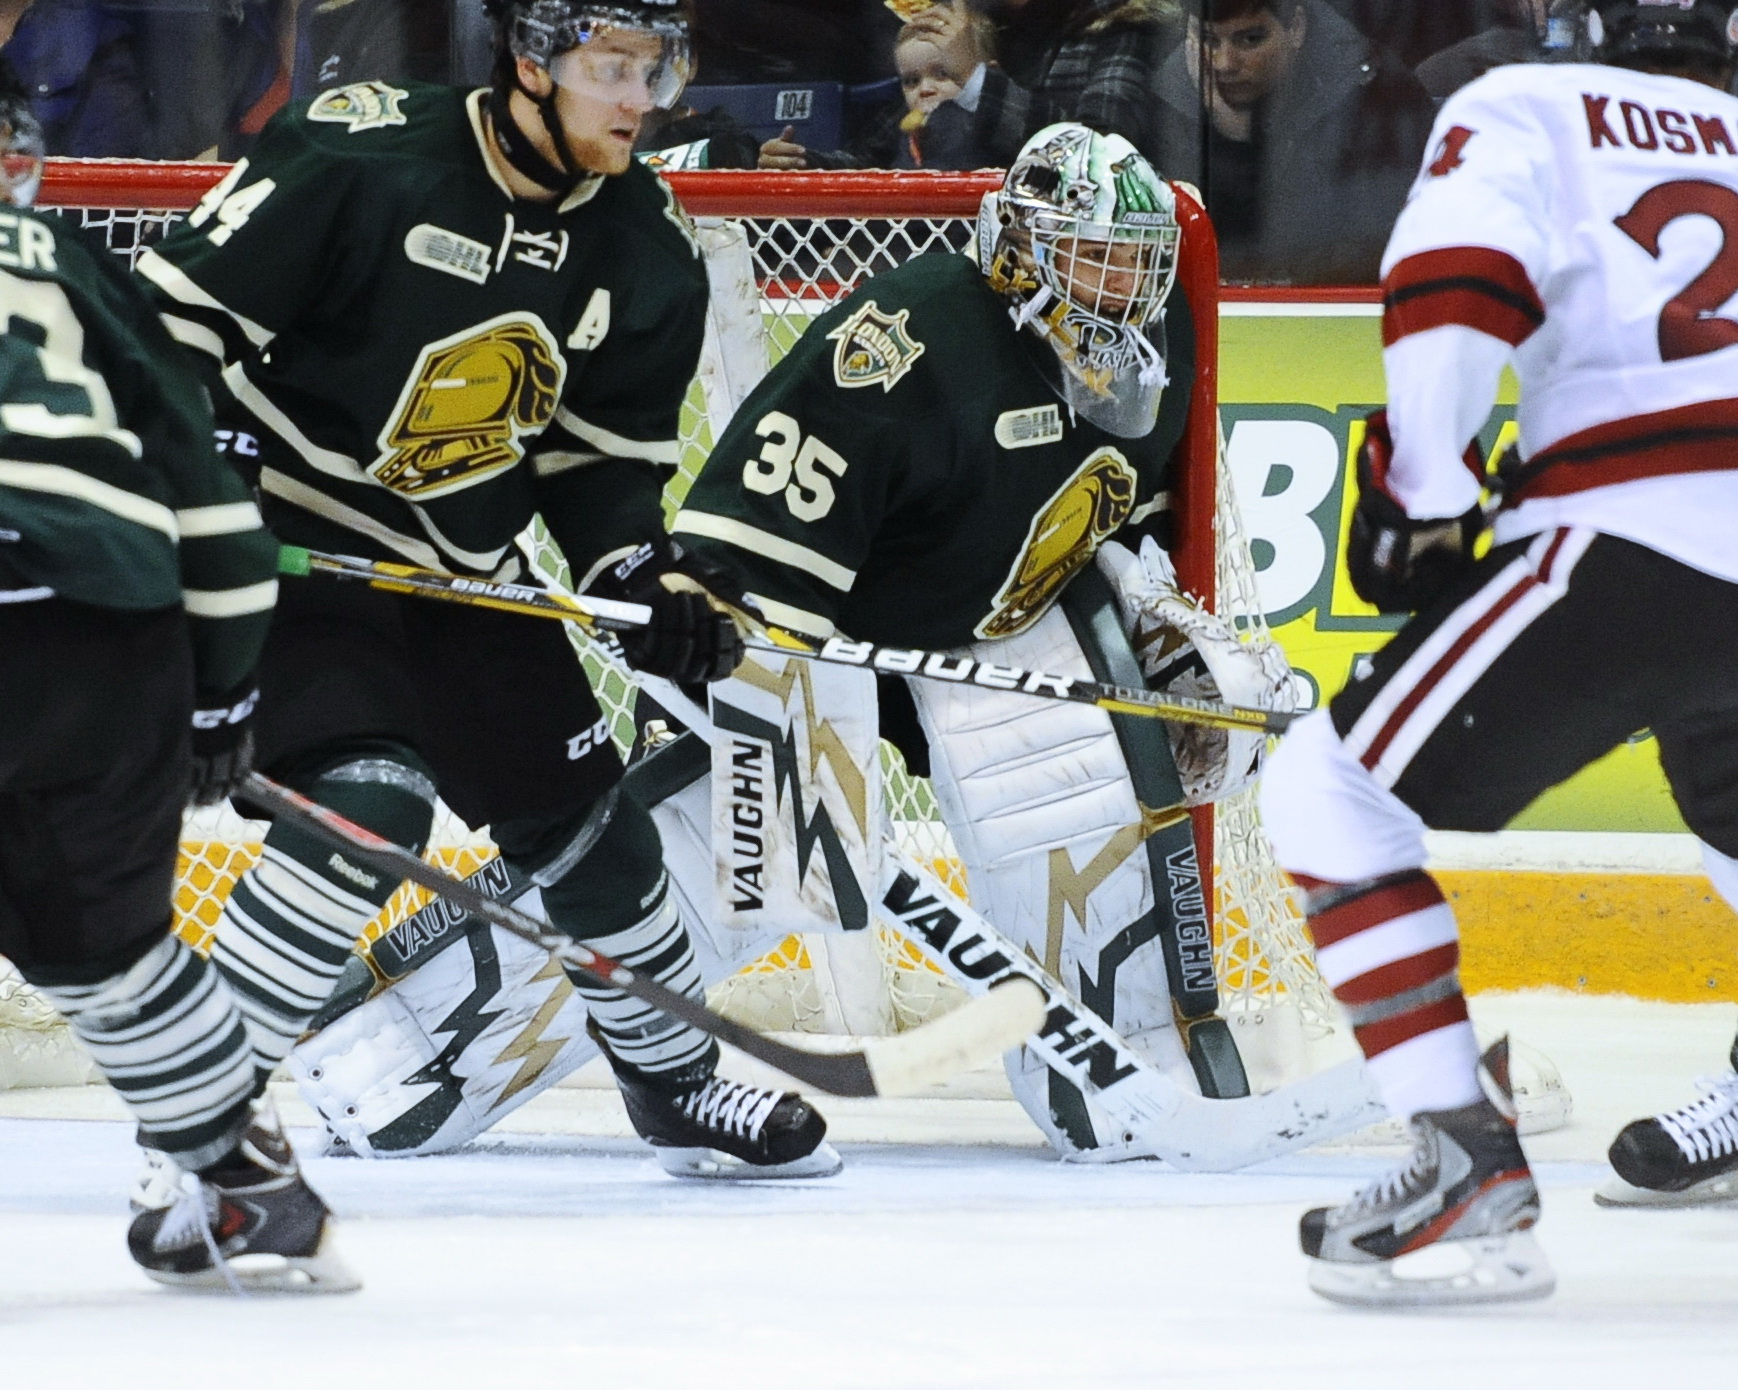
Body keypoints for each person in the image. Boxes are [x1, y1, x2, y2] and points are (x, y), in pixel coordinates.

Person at [132, 0, 840, 1221]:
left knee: (589, 832)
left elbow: (600, 471)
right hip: (290, 553)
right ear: (528, 63)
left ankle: (672, 1086)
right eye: (611, 68)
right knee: (368, 802)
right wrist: (212, 483)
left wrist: (640, 578)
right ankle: (200, 1120)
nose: (639, 99)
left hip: (457, 563)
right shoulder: (355, 153)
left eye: (654, 70)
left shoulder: (645, 247)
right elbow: (162, 335)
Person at [673, 122, 1292, 1157]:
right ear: (1020, 250)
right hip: (843, 641)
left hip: (1004, 632)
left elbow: (1124, 506)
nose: (1123, 289)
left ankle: (1117, 1073)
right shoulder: (906, 343)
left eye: (1139, 263)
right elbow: (746, 536)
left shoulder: (1159, 336)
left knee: (1086, 793)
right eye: (1094, 256)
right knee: (764, 851)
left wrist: (1146, 601)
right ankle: (466, 1037)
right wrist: (750, 686)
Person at [1258, 0, 1738, 1305]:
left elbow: (1457, 286)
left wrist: (1421, 495)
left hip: (1641, 528)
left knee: (1321, 788)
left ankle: (1458, 1156)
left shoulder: (1529, 106)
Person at [0, 62, 350, 1292]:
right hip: (109, 626)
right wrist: (219, 700)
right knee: (110, 951)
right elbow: (221, 518)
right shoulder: (64, 262)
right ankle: (255, 1191)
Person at [1151, 0, 1435, 282]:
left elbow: (1368, 249)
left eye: (1250, 39)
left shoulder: (1377, 97)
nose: (1224, 63)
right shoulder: (1159, 100)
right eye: (1208, 40)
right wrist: (1226, 129)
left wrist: (1235, 138)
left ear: (1296, 27)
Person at [897, 0, 1173, 165]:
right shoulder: (975, 19)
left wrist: (974, 79)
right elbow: (887, 139)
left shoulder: (1125, 22)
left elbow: (1101, 154)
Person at [756, 9, 997, 170]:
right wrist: (802, 162)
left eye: (943, 74)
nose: (925, 89)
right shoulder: (901, 126)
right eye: (911, 80)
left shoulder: (1000, 127)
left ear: (988, 75)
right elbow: (862, 168)